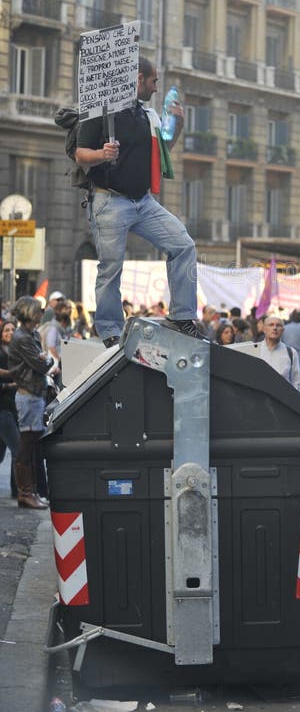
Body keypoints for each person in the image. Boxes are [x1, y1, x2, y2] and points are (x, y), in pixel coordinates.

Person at [76, 56, 200, 346]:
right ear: (137, 80)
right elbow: (81, 154)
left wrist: (177, 124)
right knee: (111, 267)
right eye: (153, 81)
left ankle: (182, 317)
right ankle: (109, 331)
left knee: (183, 245)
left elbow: (162, 149)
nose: (156, 88)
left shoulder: (146, 115)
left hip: (143, 203)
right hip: (110, 201)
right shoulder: (100, 111)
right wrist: (102, 154)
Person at [7, 297, 55, 510]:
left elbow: (41, 361)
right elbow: (40, 363)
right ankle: (25, 493)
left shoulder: (30, 334)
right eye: (37, 312)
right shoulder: (22, 337)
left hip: (34, 394)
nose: (40, 315)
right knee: (26, 447)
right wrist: (48, 360)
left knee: (32, 445)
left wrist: (45, 360)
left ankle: (31, 492)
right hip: (28, 395)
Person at [0, 320, 19, 501]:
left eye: (13, 329)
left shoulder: (14, 351)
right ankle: (19, 490)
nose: (10, 332)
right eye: (6, 330)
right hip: (3, 409)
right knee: (18, 449)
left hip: (12, 408)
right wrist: (13, 384)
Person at [258, 315, 300, 390]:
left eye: (278, 325)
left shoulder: (290, 352)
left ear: (283, 330)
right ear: (264, 329)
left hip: (282, 397)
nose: (274, 328)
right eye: (271, 325)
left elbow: (296, 381)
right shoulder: (256, 350)